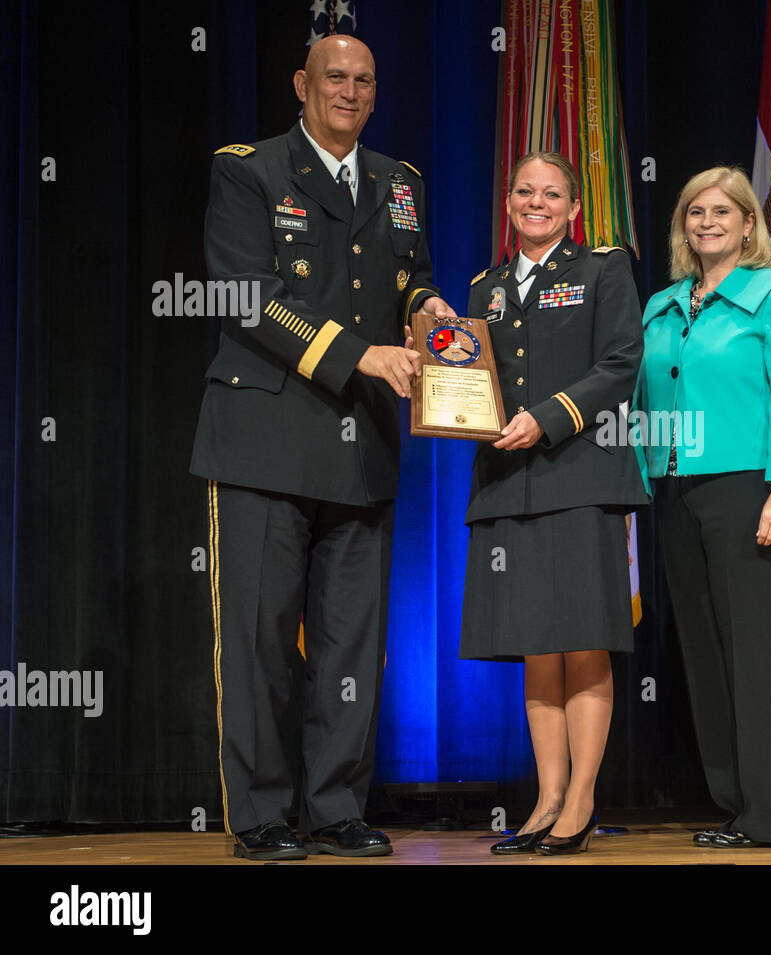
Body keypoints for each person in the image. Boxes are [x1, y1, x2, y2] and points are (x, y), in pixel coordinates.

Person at [191, 35, 457, 861]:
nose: (349, 90)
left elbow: (409, 273)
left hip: (360, 445)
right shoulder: (249, 170)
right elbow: (245, 294)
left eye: (364, 80)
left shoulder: (400, 183)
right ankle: (261, 814)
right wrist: (357, 353)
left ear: (377, 94)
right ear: (302, 84)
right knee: (261, 640)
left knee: (352, 645)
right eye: (334, 77)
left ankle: (337, 804)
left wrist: (429, 305)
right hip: (262, 440)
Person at [459, 151, 647, 856]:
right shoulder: (485, 287)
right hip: (509, 481)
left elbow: (622, 364)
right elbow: (470, 379)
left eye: (551, 193)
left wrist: (550, 415)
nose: (535, 202)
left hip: (582, 474)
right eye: (524, 191)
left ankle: (583, 800)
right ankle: (545, 797)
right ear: (509, 201)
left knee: (584, 638)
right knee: (537, 643)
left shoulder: (603, 269)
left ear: (573, 207)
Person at [635, 166, 771, 848]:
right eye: (695, 212)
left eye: (722, 211)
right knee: (707, 656)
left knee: (758, 655)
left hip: (754, 491)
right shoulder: (659, 306)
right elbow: (637, 407)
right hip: (676, 492)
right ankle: (736, 803)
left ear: (749, 223)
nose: (707, 221)